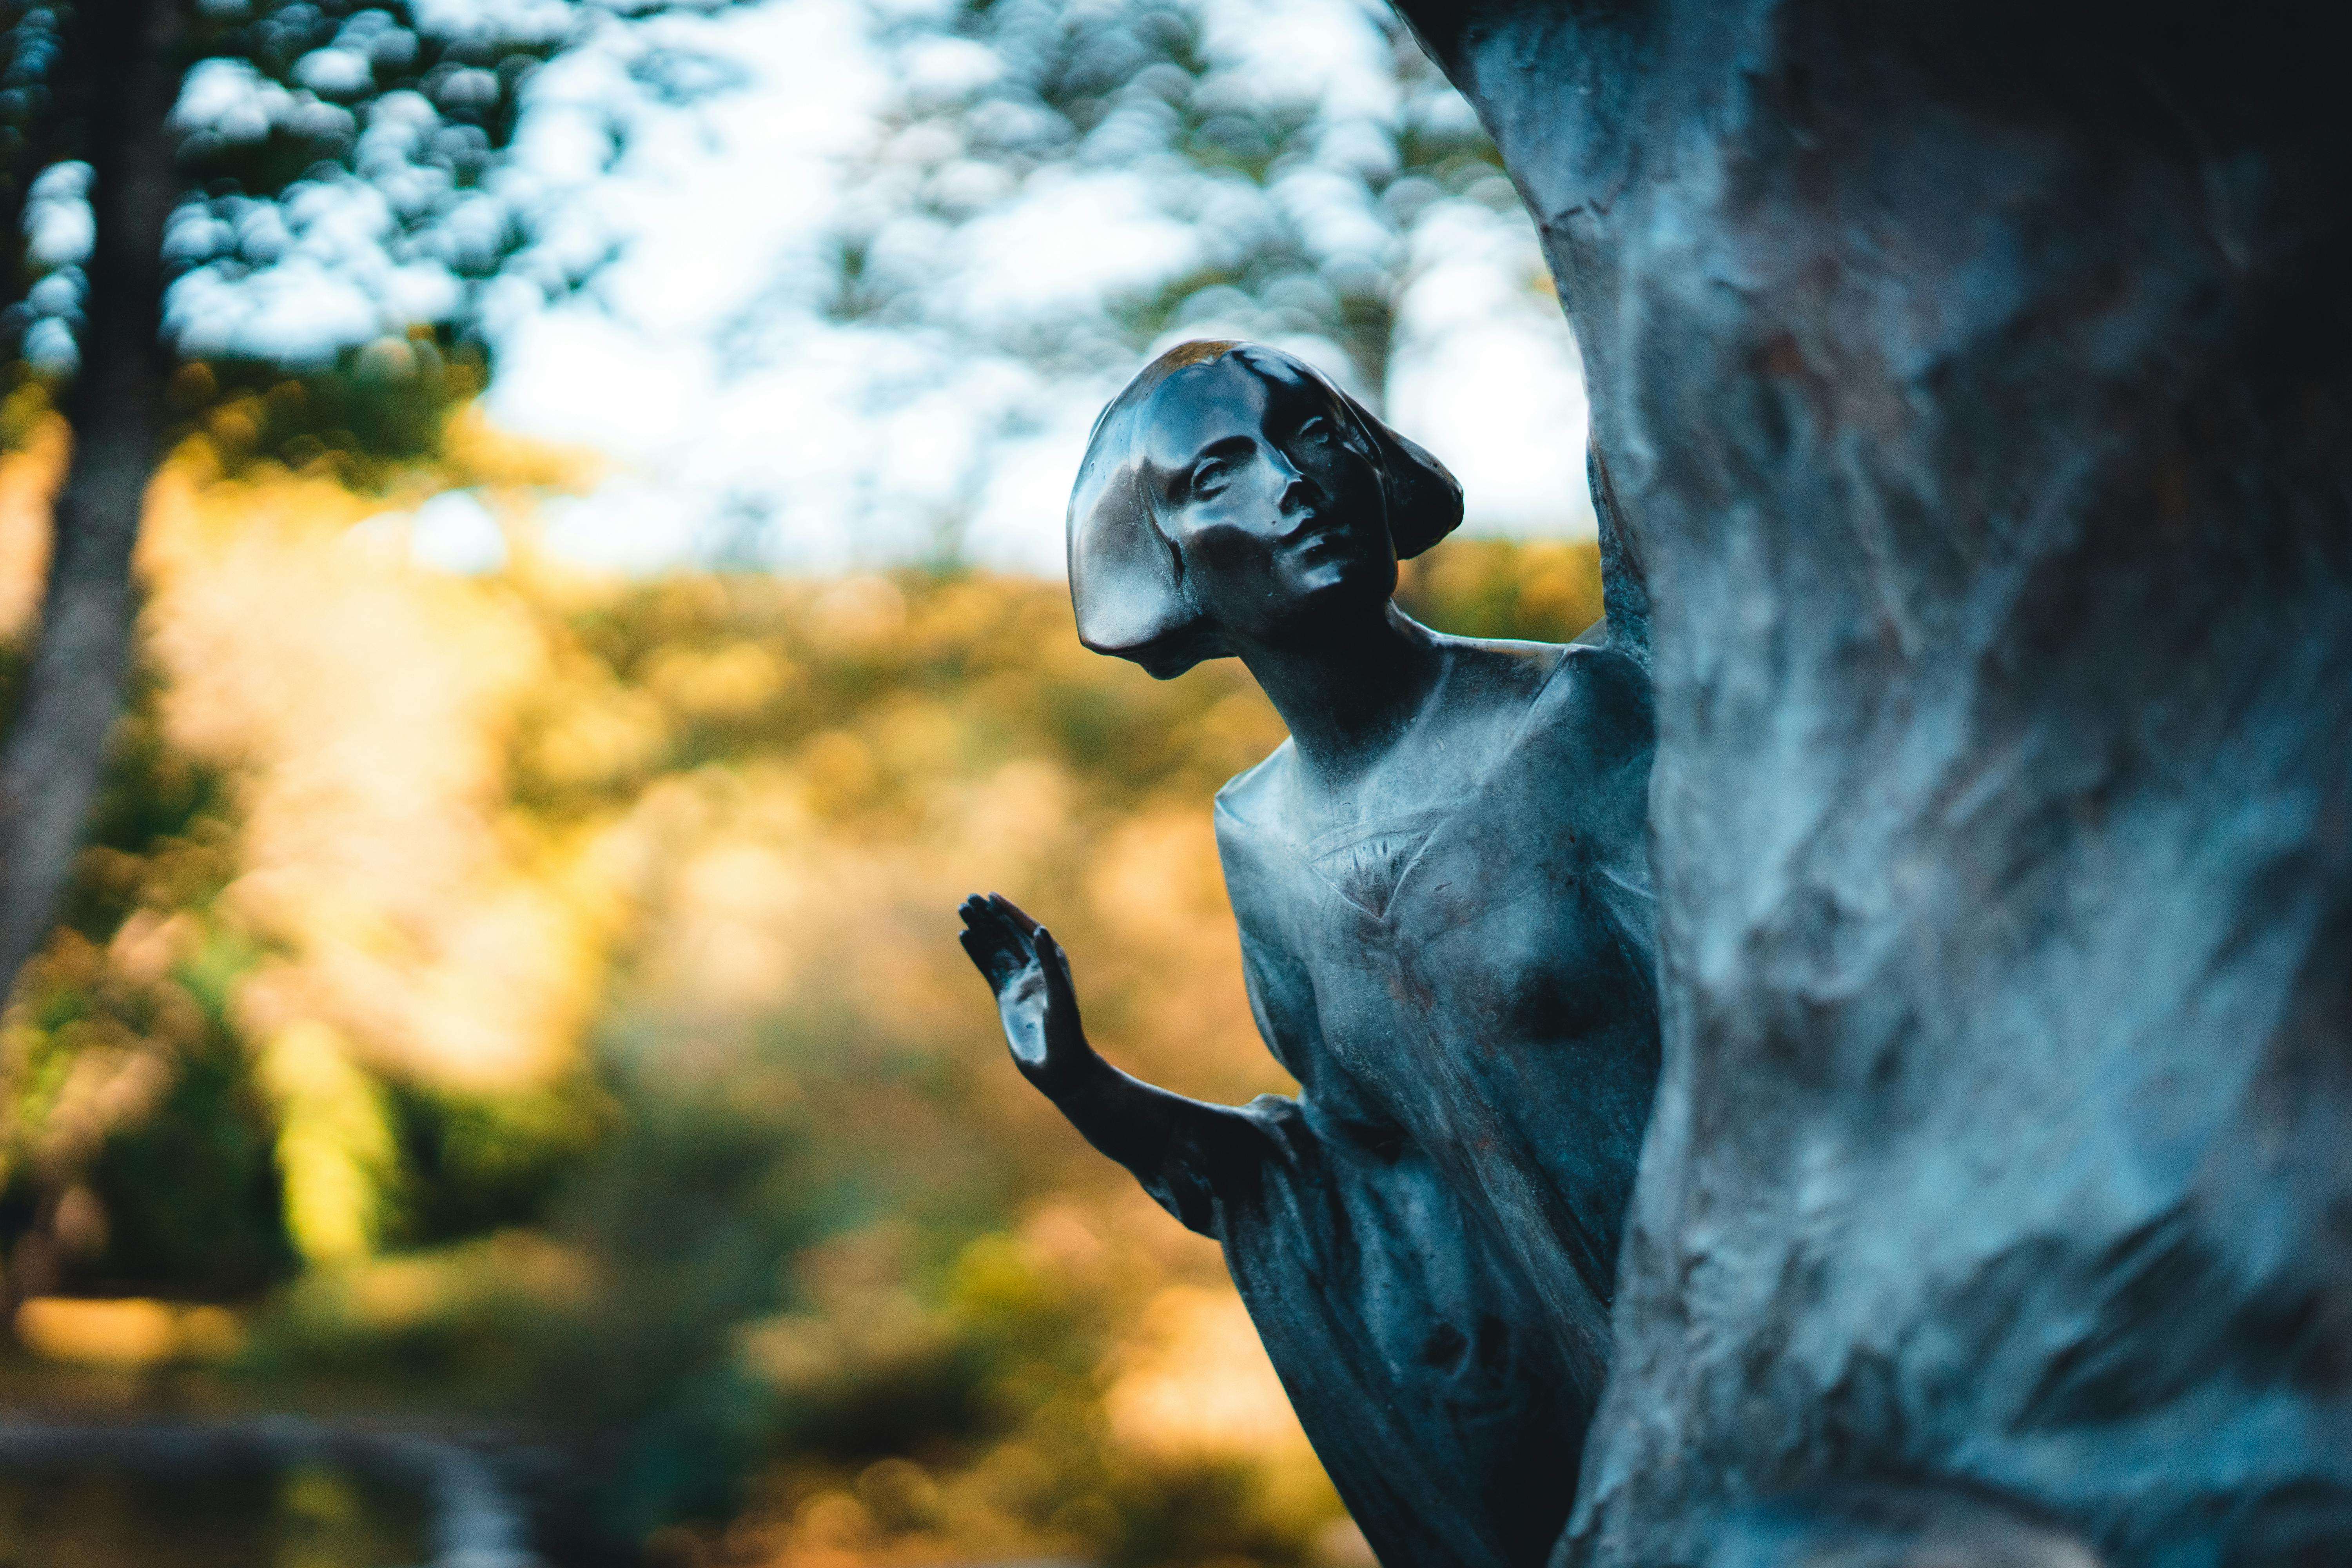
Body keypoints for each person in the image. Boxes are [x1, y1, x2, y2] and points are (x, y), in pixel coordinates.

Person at [959, 339, 1658, 1568]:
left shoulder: (1586, 723)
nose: (1295, 480)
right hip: (1587, 1453)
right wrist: (1086, 1085)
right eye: (1220, 471)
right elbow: (1360, 1190)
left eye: (1318, 433)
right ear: (1169, 555)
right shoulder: (1259, 842)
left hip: (1786, 1360)